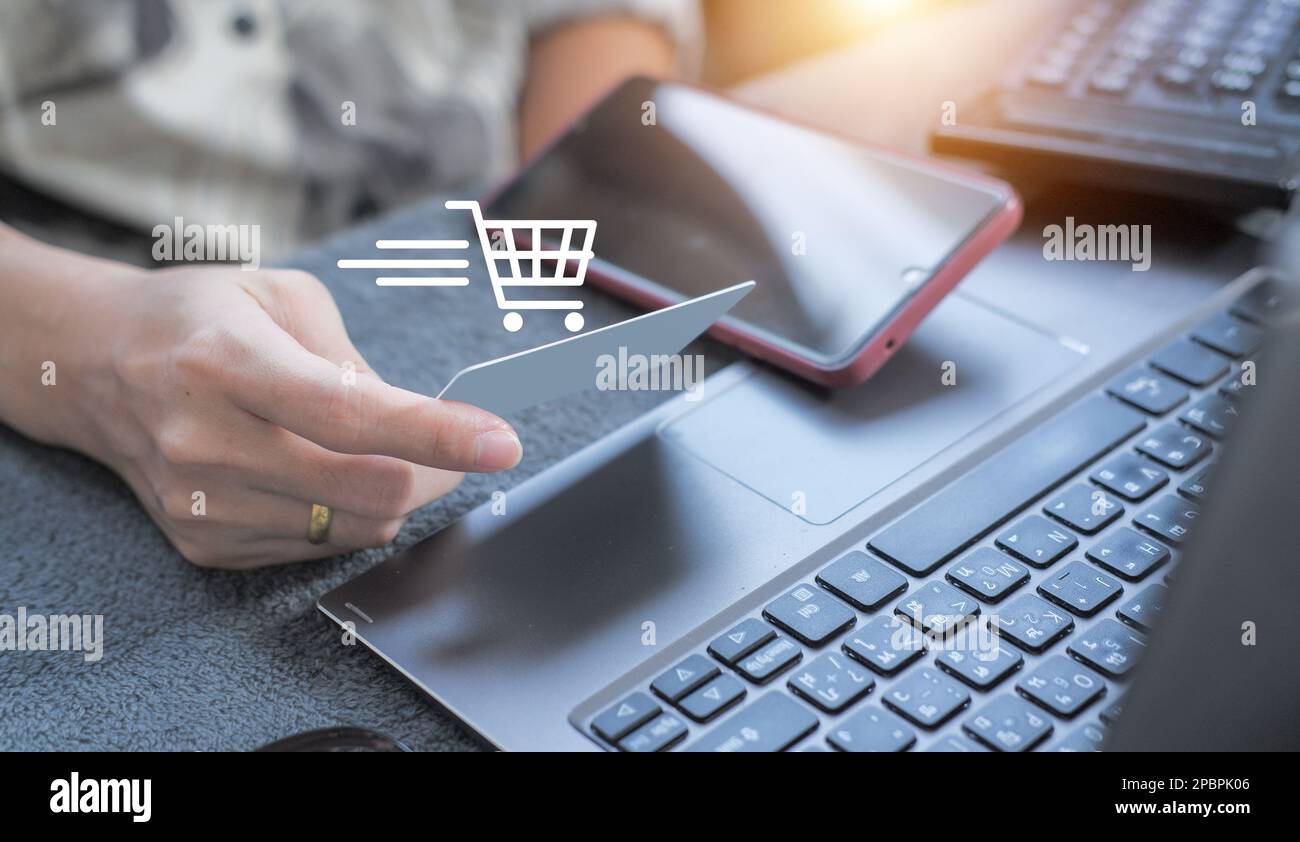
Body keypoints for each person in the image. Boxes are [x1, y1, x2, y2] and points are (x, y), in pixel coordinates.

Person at [0, 0, 697, 568]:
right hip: (96, 287)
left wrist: (586, 196)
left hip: (488, 247)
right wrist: (97, 346)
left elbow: (600, 25)